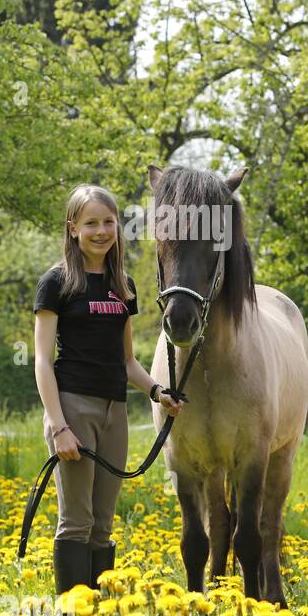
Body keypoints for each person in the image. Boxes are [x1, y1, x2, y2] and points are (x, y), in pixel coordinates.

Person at [34, 184, 184, 594]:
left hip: (114, 411)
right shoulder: (57, 282)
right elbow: (43, 361)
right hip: (73, 407)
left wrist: (157, 392)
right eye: (91, 223)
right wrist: (58, 424)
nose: (101, 231)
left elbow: (127, 362)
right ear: (73, 228)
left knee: (103, 523)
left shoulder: (124, 285)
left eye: (108, 222)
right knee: (77, 521)